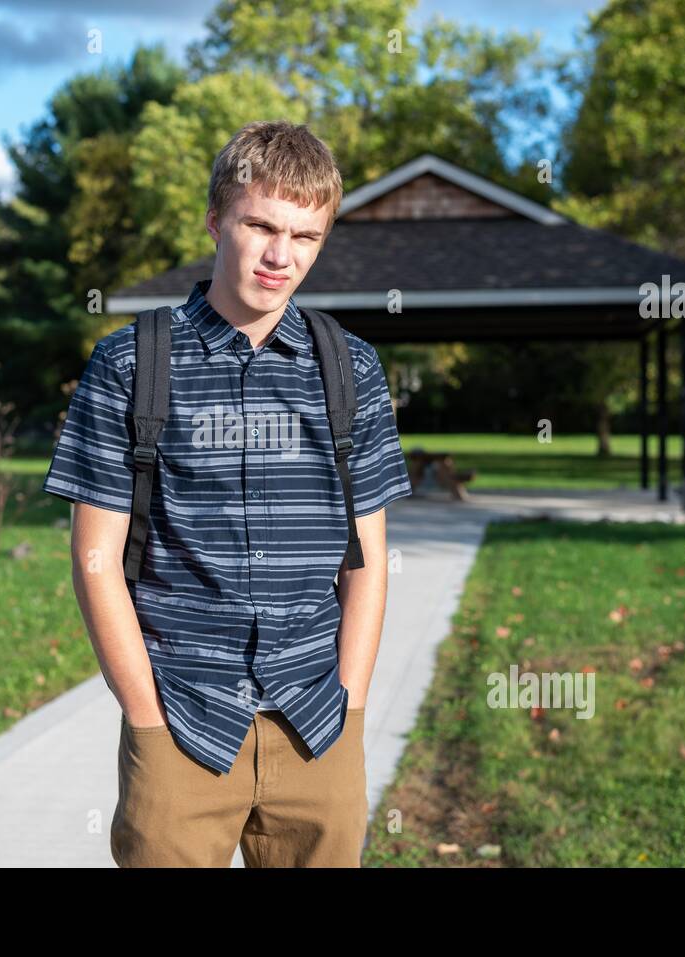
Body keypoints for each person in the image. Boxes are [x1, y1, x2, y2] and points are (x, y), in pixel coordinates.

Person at [42, 120, 413, 867]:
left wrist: (352, 702)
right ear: (217, 219)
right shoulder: (130, 363)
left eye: (305, 236)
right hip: (180, 722)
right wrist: (145, 718)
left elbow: (366, 562)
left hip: (317, 723)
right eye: (261, 226)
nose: (282, 255)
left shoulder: (352, 369)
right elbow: (94, 560)